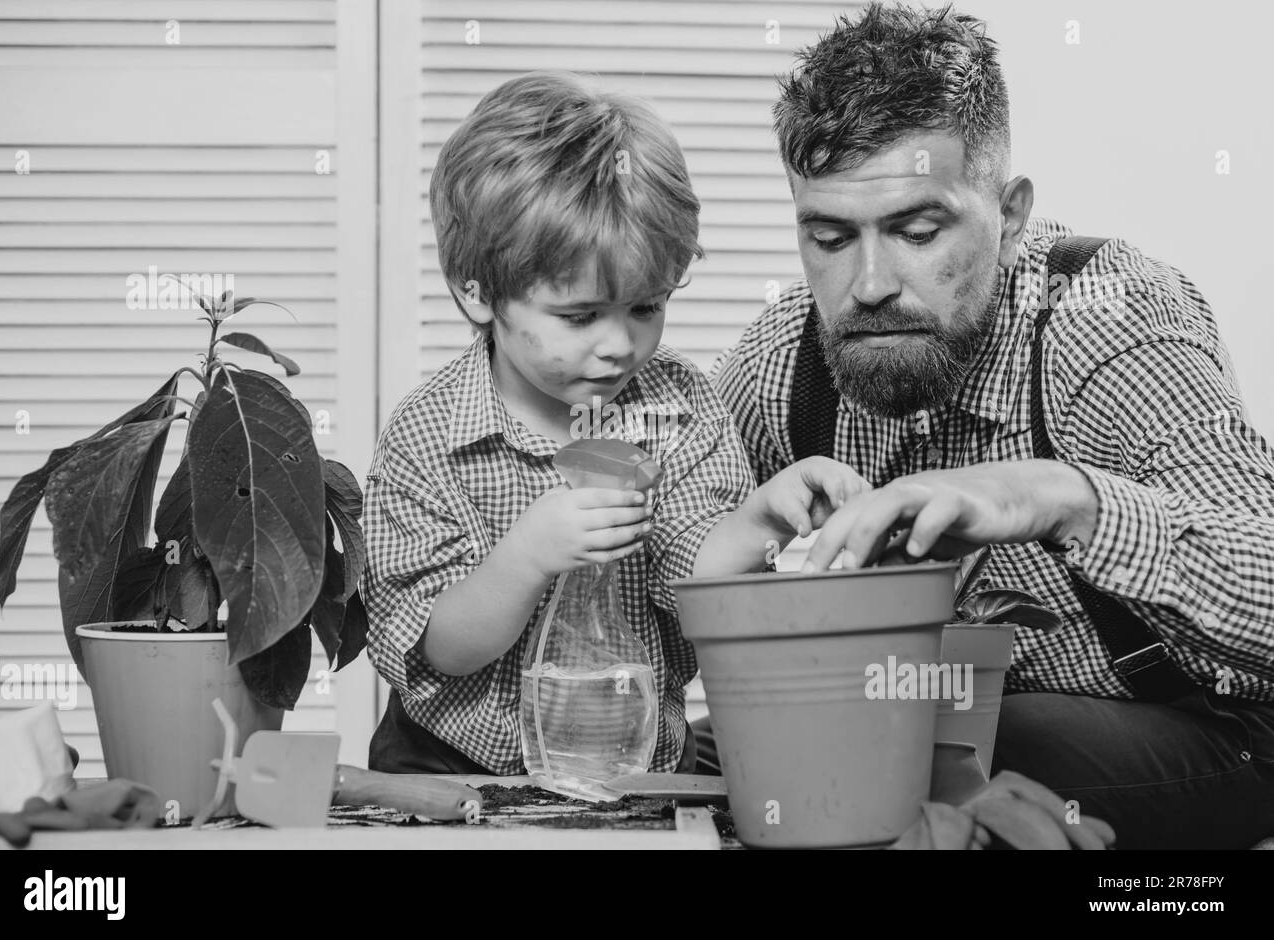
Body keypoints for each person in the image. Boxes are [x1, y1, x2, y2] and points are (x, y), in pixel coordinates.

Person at [711, 2, 1274, 848]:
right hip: (928, 721)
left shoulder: (1111, 320)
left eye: (916, 230)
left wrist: (1056, 497)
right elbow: (679, 579)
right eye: (830, 236)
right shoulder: (781, 363)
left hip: (1207, 727)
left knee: (978, 749)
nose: (867, 286)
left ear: (1008, 217)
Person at [359, 71, 865, 778]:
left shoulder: (681, 411)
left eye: (646, 307)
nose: (619, 344)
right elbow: (441, 648)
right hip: (448, 767)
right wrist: (526, 556)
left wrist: (762, 519)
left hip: (633, 765)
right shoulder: (427, 435)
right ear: (477, 293)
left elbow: (696, 579)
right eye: (580, 316)